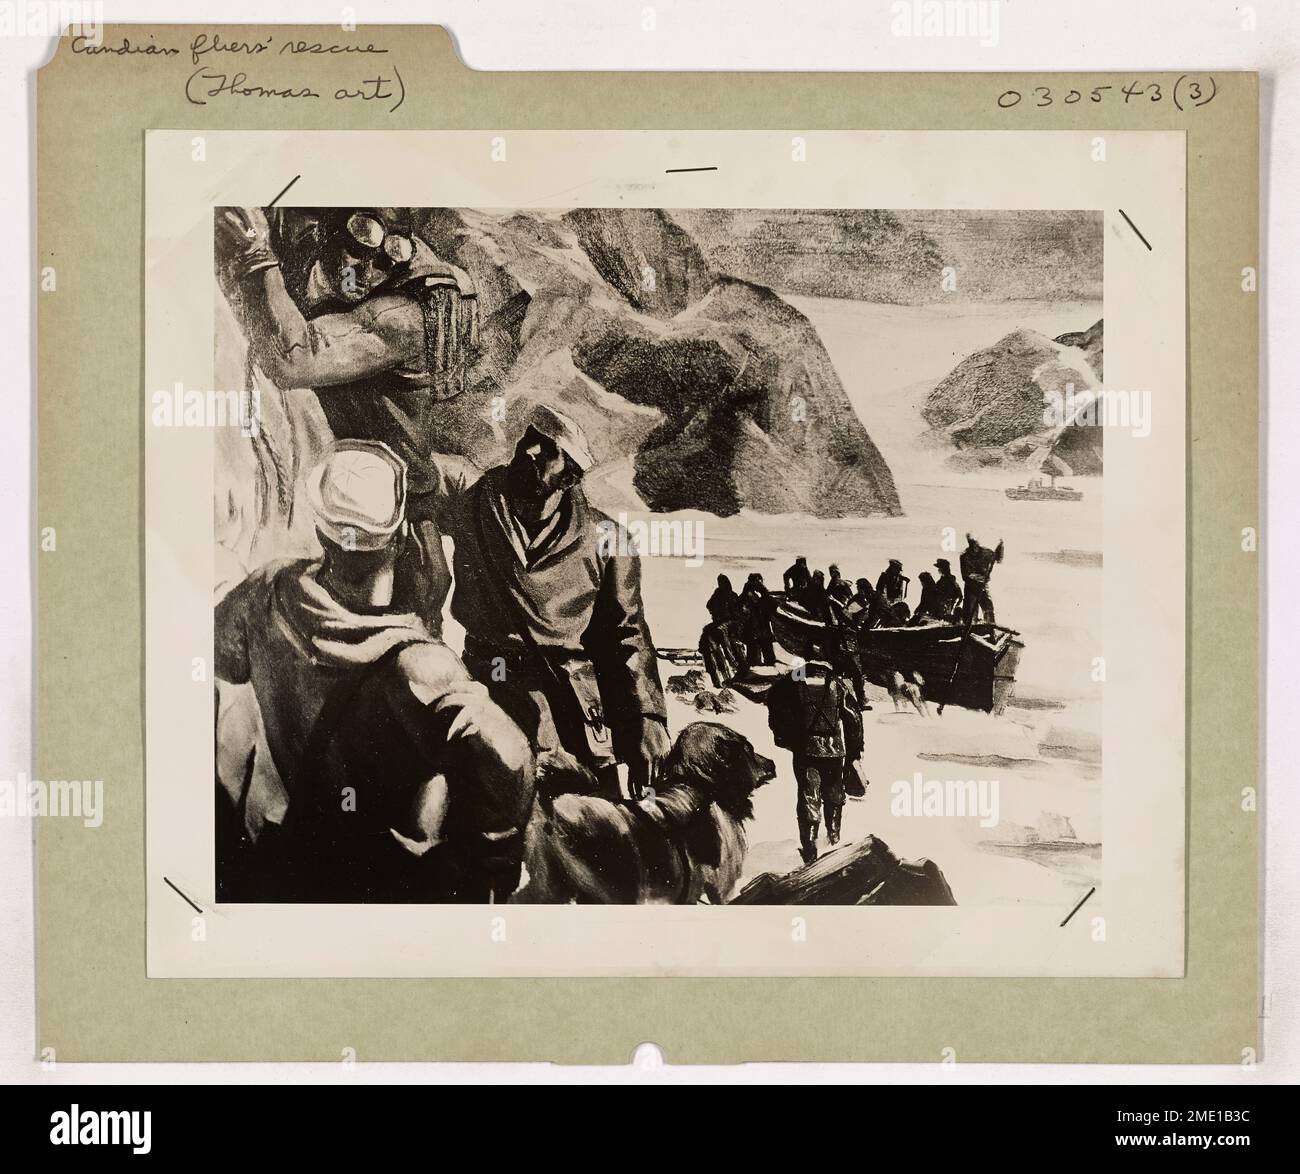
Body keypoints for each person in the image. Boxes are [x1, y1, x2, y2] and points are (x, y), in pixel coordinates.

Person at [213, 440, 535, 902]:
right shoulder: (423, 667)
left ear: (323, 533)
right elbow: (510, 758)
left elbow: (226, 662)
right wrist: (491, 870)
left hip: (306, 862)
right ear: (402, 535)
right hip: (391, 886)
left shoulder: (267, 591)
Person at [409, 404, 669, 800]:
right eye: (529, 439)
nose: (528, 450)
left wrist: (647, 717)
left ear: (570, 475)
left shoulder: (608, 539)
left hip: (574, 707)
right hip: (490, 683)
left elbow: (626, 636)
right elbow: (415, 469)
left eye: (546, 448)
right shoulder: (472, 498)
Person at [217, 206, 481, 491]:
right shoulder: (307, 225)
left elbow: (291, 361)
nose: (366, 273)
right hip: (320, 445)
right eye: (357, 251)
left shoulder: (405, 319)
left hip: (372, 489)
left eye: (383, 261)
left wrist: (256, 255)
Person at [766, 645, 861, 864]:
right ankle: (834, 836)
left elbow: (774, 703)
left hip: (805, 749)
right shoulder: (838, 684)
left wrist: (783, 739)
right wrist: (855, 752)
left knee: (809, 795)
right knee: (835, 792)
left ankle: (809, 848)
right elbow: (854, 720)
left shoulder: (793, 682)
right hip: (835, 750)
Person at [960, 534, 1005, 625]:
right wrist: (979, 578)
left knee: (988, 609)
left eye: (975, 542)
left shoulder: (986, 552)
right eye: (971, 542)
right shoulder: (964, 556)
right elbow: (965, 575)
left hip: (983, 586)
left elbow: (998, 559)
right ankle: (969, 629)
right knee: (969, 613)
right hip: (970, 587)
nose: (974, 544)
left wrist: (1001, 547)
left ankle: (990, 628)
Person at [740, 573, 777, 667]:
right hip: (753, 630)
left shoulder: (761, 595)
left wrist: (763, 591)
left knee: (769, 659)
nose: (760, 583)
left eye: (761, 582)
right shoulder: (746, 596)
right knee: (754, 661)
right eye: (758, 582)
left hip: (762, 629)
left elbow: (773, 605)